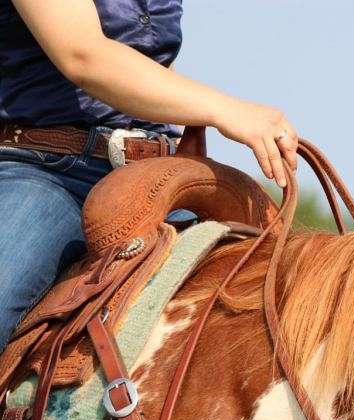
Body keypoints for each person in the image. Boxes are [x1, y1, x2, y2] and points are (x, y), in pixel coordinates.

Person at [0, 0, 299, 348]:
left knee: (275, 304)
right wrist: (224, 110)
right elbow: (82, 55)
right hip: (44, 170)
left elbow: (150, 64)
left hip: (153, 180)